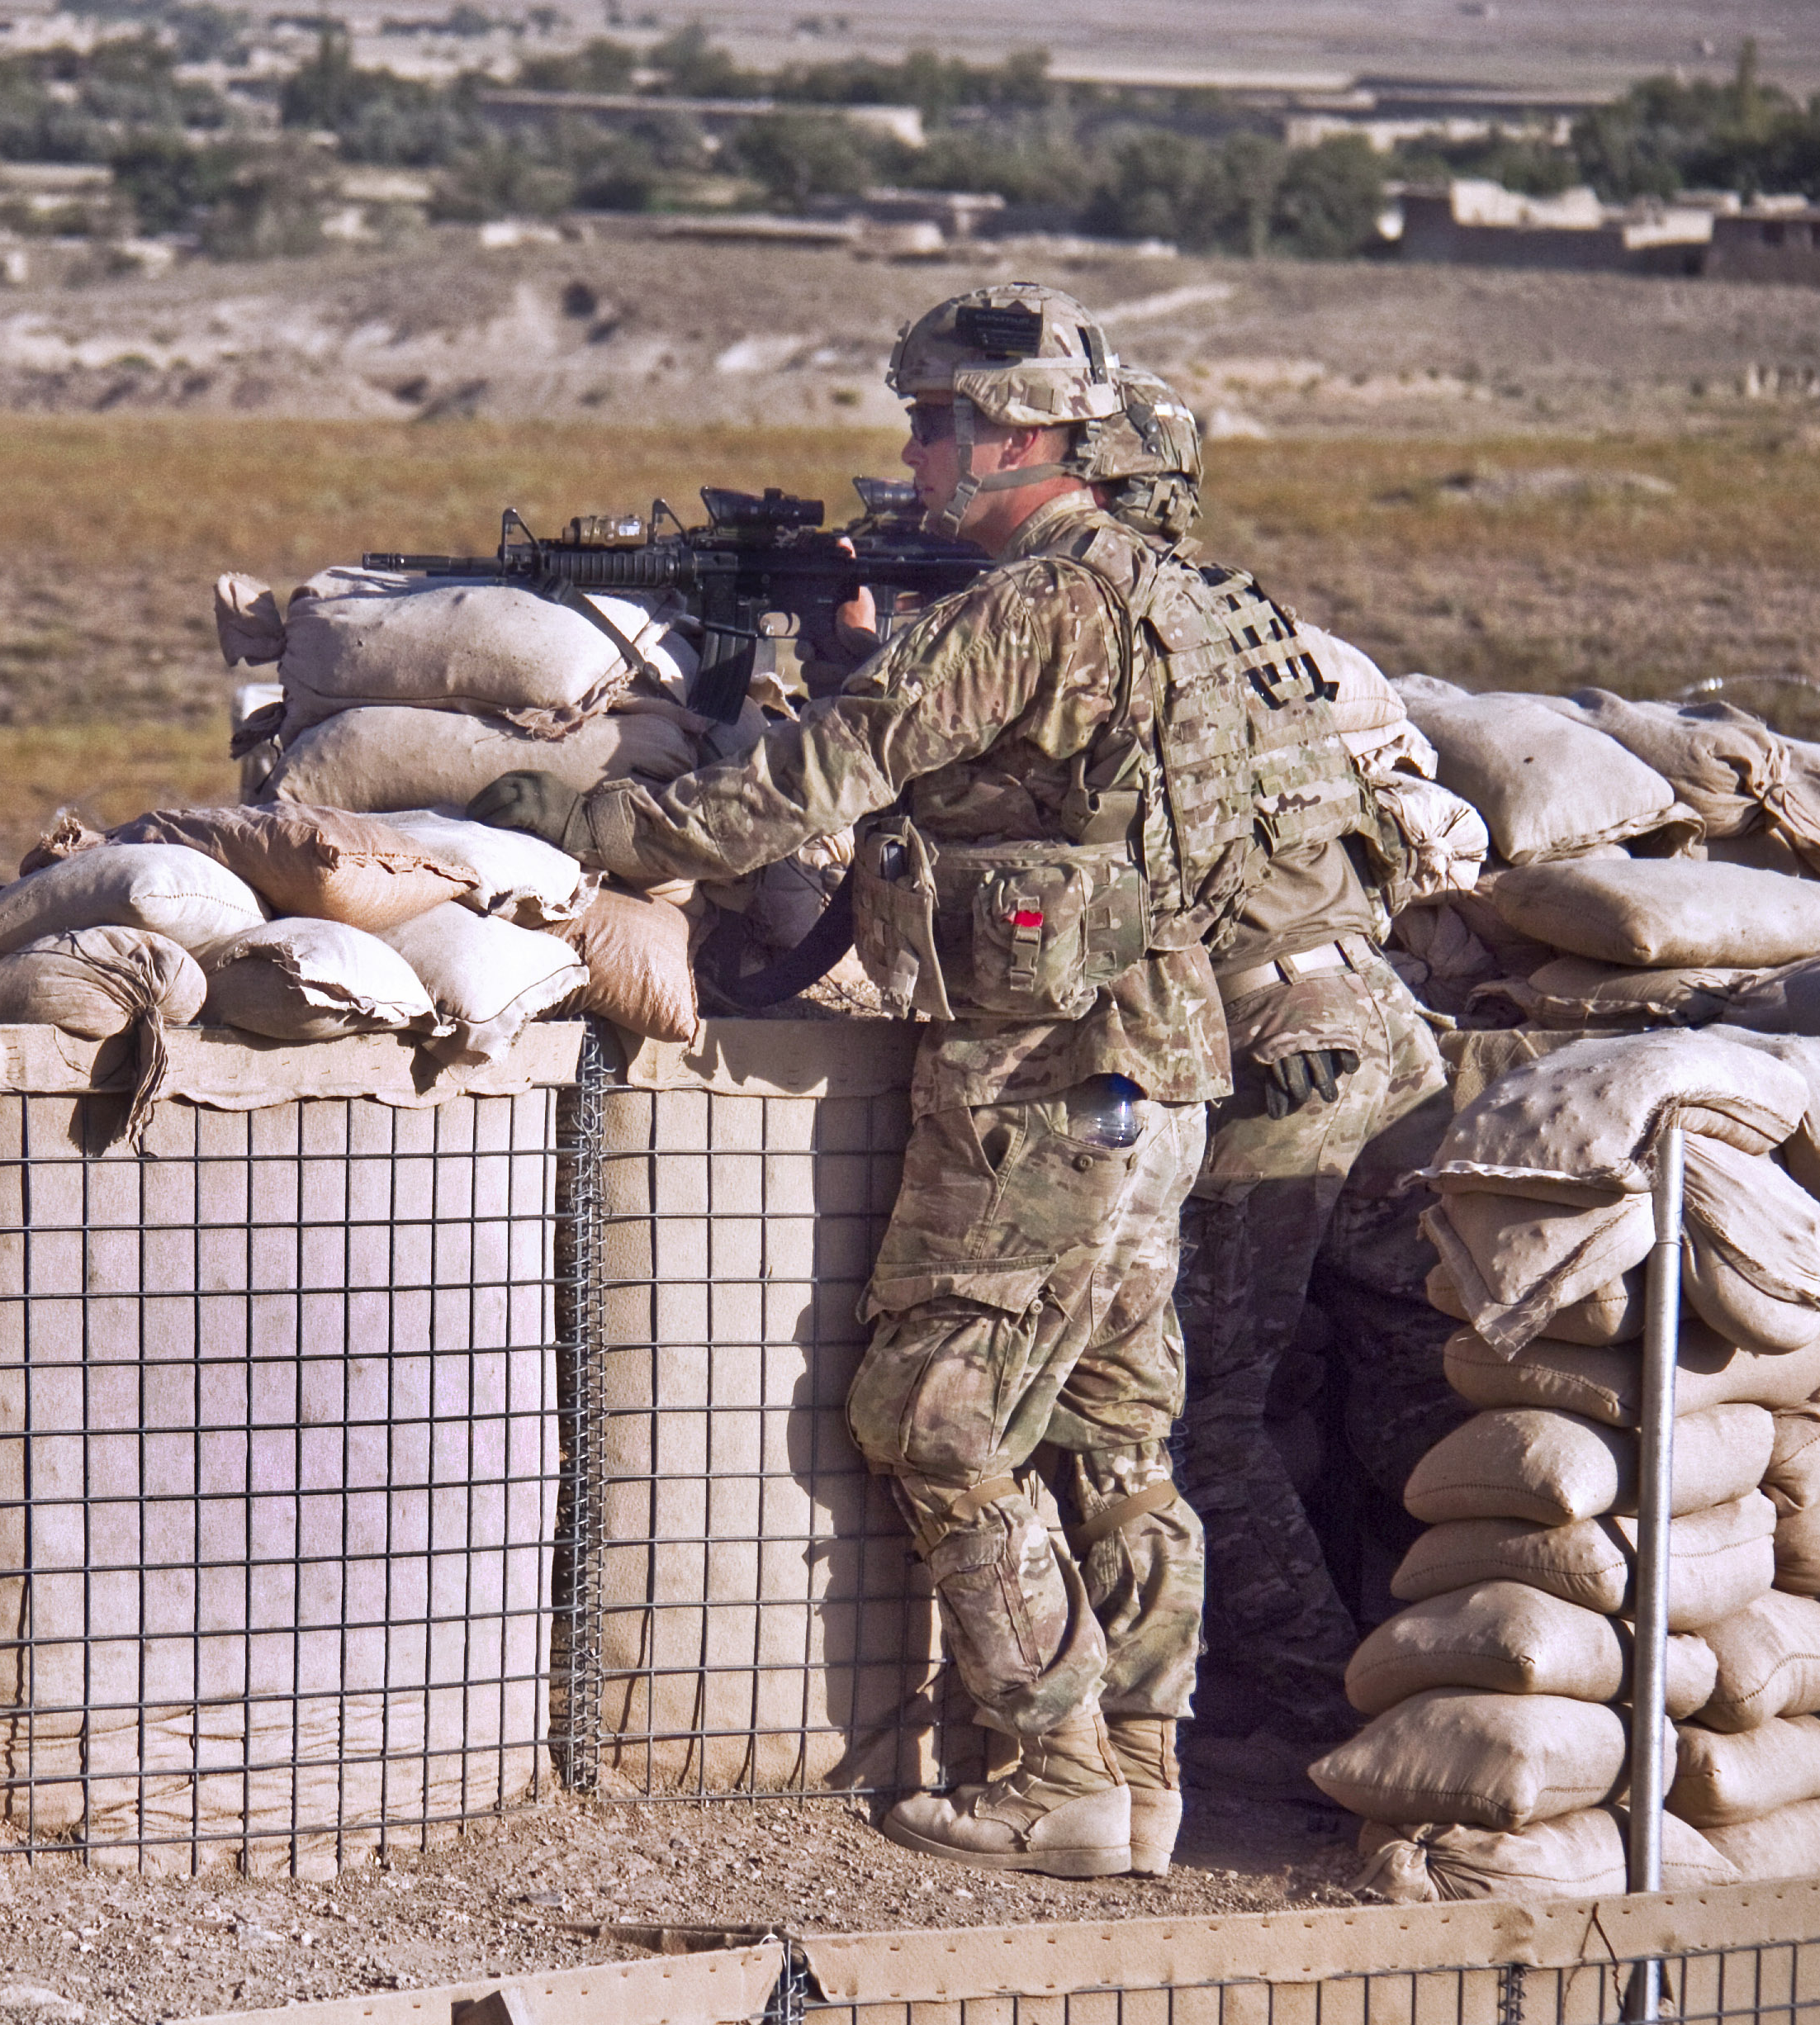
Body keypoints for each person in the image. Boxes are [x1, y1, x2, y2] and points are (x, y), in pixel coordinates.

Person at [467, 284, 1375, 1876]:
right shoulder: (1169, 600)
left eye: (932, 424)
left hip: (1039, 1076)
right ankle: (1143, 1772)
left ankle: (1050, 1771)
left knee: (935, 1412)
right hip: (1154, 1066)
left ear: (1013, 435)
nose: (910, 455)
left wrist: (593, 830)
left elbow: (807, 783)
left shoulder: (1028, 610)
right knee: (1112, 1429)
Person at [1073, 388, 1453, 1793]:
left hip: (1284, 1045)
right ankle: (1444, 1689)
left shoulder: (1102, 627)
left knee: (1201, 1412)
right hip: (1377, 1018)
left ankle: (1323, 1716)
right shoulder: (1236, 611)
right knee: (1395, 1376)